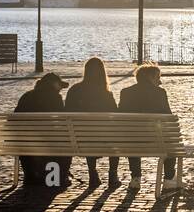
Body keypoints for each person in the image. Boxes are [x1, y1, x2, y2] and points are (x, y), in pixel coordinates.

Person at [117, 63, 178, 191]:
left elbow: (121, 118)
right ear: (151, 77)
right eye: (158, 77)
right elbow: (168, 118)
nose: (160, 82)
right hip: (156, 141)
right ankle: (168, 180)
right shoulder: (160, 93)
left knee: (132, 135)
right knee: (172, 141)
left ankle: (135, 178)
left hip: (131, 142)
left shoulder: (126, 92)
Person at [65, 57, 118, 188]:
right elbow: (116, 115)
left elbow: (66, 112)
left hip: (80, 138)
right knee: (114, 137)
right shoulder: (106, 94)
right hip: (105, 139)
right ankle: (112, 175)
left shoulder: (74, 90)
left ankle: (92, 174)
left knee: (89, 134)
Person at [13, 72, 71, 188]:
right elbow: (62, 122)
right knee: (65, 141)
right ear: (54, 84)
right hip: (48, 143)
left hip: (24, 144)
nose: (60, 90)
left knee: (26, 139)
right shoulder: (56, 98)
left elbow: (14, 121)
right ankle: (56, 176)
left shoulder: (26, 96)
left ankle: (31, 175)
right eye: (60, 86)